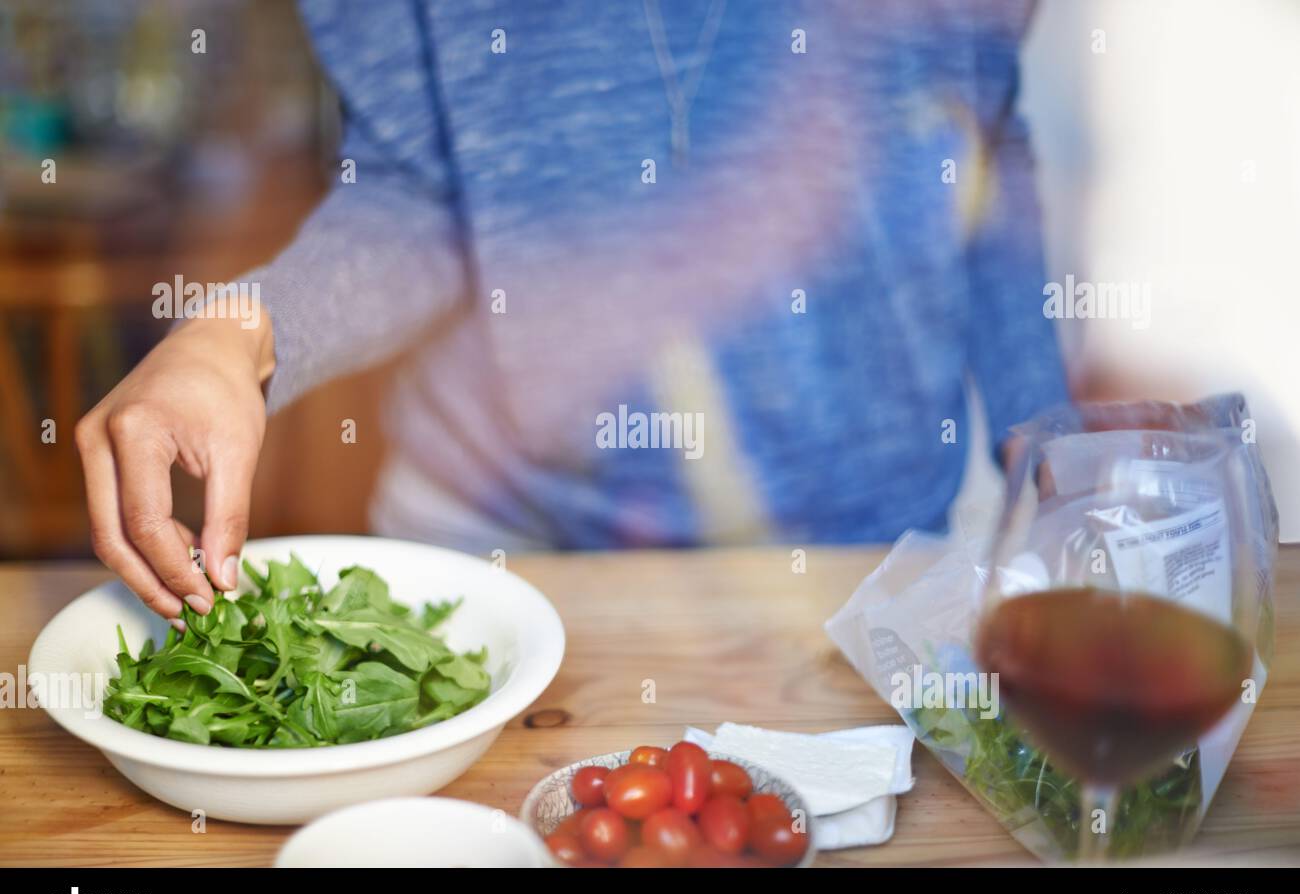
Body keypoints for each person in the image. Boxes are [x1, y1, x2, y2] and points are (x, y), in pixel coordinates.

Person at [74, 0, 1068, 628]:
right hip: (504, 552)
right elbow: (421, 194)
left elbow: (979, 131)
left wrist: (1050, 445)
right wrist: (235, 333)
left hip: (865, 565)